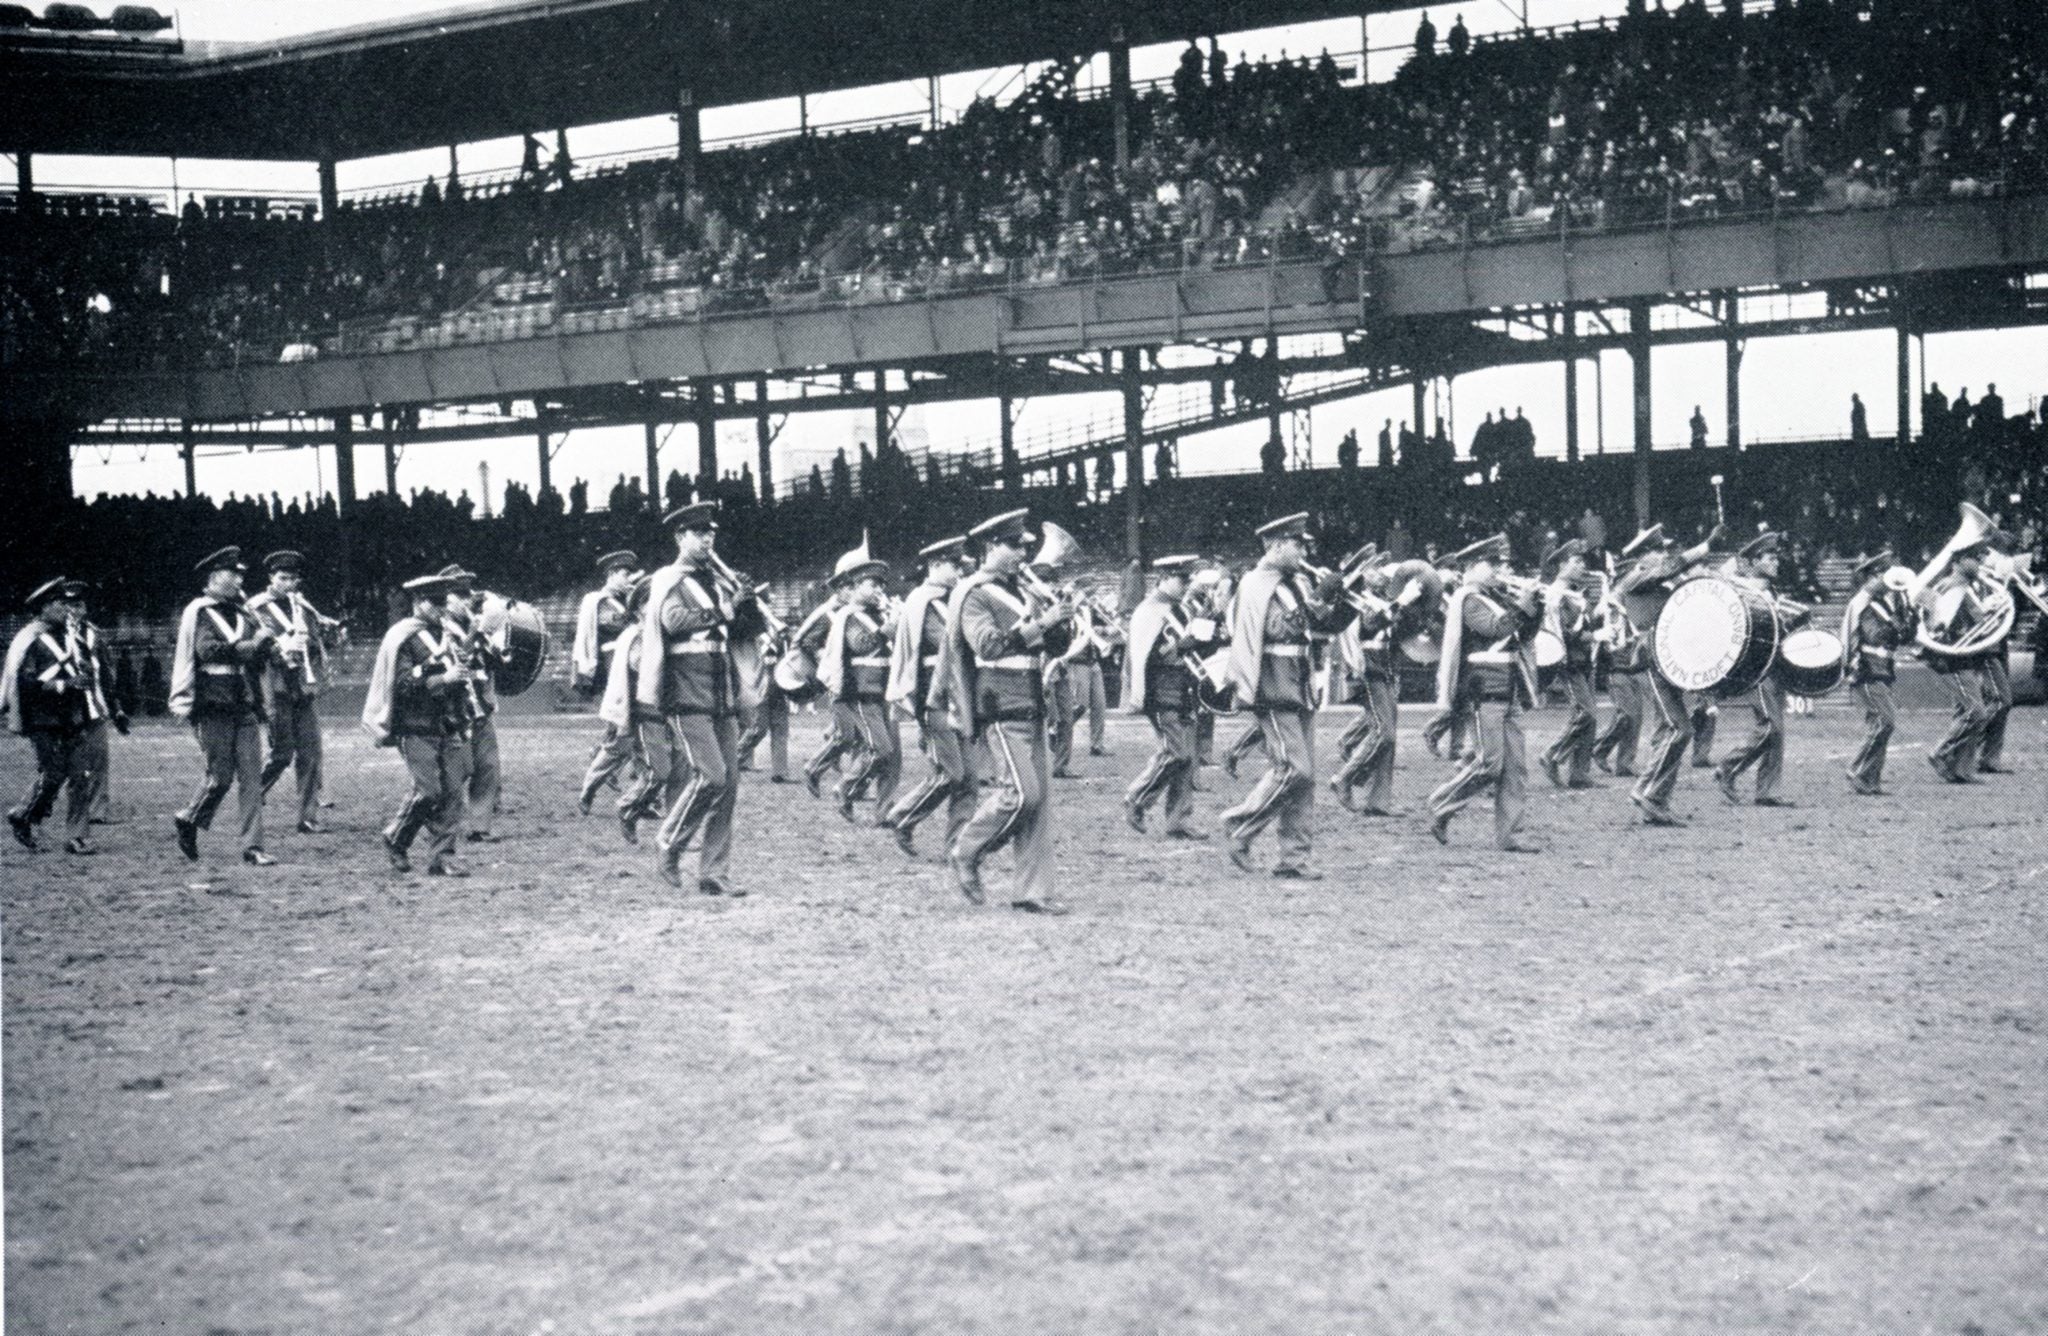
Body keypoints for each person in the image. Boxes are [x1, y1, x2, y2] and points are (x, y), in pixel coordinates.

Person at [929, 509, 1077, 913]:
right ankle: (966, 850)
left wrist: (1059, 622)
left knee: (1039, 803)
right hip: (1000, 705)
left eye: (1025, 546)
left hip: (1031, 703)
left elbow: (1053, 647)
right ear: (991, 546)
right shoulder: (975, 593)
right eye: (1015, 545)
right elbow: (988, 645)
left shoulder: (1019, 590)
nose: (1022, 553)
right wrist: (1040, 623)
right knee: (1022, 795)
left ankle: (1031, 892)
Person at [1217, 513, 1357, 878]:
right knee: (1294, 768)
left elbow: (1320, 625)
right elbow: (1280, 627)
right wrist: (1319, 598)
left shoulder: (1295, 581)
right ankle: (1240, 825)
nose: (1303, 550)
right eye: (1297, 544)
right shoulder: (1254, 583)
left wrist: (1345, 600)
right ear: (1276, 545)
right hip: (1273, 685)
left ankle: (1294, 859)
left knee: (1305, 777)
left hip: (1299, 684)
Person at [638, 501, 767, 895]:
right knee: (710, 775)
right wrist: (726, 609)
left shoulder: (718, 579)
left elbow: (744, 629)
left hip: (721, 692)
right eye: (697, 533)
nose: (707, 539)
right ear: (680, 537)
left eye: (710, 533)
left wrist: (747, 604)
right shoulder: (668, 579)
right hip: (684, 691)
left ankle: (714, 873)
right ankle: (669, 842)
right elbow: (672, 621)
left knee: (728, 787)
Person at [1427, 536, 1542, 850]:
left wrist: (1535, 610)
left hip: (1509, 687)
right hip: (1483, 690)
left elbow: (1522, 634)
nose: (1498, 570)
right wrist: (1522, 605)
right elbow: (1496, 627)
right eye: (1490, 564)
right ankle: (1441, 803)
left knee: (1516, 767)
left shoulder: (1494, 596)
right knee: (1489, 763)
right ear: (1470, 567)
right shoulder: (1469, 600)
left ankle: (1510, 836)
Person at [363, 573, 479, 876]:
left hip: (447, 722)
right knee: (428, 791)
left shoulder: (448, 633)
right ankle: (396, 838)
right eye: (434, 602)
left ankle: (442, 857)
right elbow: (401, 684)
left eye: (444, 601)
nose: (441, 608)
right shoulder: (403, 636)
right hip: (415, 725)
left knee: (453, 791)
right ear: (418, 602)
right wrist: (444, 677)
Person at [169, 547, 276, 866]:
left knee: (252, 778)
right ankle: (189, 818)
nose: (239, 579)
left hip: (242, 704)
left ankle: (252, 846)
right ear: (214, 578)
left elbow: (253, 659)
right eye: (233, 574)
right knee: (220, 778)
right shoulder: (200, 611)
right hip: (212, 704)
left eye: (240, 574)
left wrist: (267, 647)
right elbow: (207, 651)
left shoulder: (244, 613)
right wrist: (251, 645)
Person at [1614, 522, 1725, 825]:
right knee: (1680, 729)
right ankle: (1649, 792)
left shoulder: (1651, 581)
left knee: (1668, 730)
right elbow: (1670, 568)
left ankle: (1654, 798)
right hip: (1653, 658)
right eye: (1658, 549)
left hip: (1667, 658)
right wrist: (1706, 547)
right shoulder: (1636, 577)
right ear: (1643, 556)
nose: (1664, 554)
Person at [4, 578, 118, 855]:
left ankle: (77, 836)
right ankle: (24, 814)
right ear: (44, 607)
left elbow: (89, 669)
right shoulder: (32, 640)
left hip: (74, 717)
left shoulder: (74, 636)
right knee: (53, 775)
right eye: (60, 603)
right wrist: (64, 685)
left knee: (81, 775)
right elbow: (25, 683)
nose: (67, 609)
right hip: (43, 721)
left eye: (69, 604)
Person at [881, 536, 975, 855]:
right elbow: (949, 640)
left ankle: (957, 847)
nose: (959, 572)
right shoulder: (923, 601)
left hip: (957, 695)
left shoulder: (950, 598)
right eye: (953, 565)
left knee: (969, 779)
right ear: (934, 566)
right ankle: (903, 814)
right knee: (952, 772)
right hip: (932, 698)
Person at [247, 550, 344, 836]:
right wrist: (283, 647)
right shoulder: (256, 608)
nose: (288, 584)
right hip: (275, 686)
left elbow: (315, 643)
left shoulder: (303, 606)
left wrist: (322, 638)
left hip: (302, 686)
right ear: (271, 578)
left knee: (311, 753)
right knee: (282, 753)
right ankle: (255, 792)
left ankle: (307, 817)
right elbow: (254, 648)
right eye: (282, 578)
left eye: (293, 579)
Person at [1122, 555, 1217, 839]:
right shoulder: (1149, 610)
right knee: (1175, 752)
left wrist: (1209, 633)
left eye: (1187, 579)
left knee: (1187, 758)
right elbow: (1150, 656)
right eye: (1180, 579)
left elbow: (1200, 651)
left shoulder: (1183, 609)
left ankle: (1179, 819)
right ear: (1163, 579)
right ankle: (1137, 798)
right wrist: (1182, 644)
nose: (1185, 584)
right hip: (1161, 690)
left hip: (1184, 689)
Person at [817, 547, 901, 824]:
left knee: (893, 758)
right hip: (861, 692)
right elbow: (861, 643)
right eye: (873, 584)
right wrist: (892, 625)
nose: (879, 589)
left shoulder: (879, 613)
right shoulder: (850, 616)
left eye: (882, 585)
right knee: (880, 749)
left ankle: (884, 811)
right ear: (855, 587)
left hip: (885, 691)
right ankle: (846, 787)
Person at [1714, 533, 1794, 807]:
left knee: (1777, 729)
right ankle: (1728, 768)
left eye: (1776, 558)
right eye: (1770, 558)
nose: (1776, 563)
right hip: (1755, 669)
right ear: (1755, 560)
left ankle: (1768, 791)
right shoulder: (1743, 590)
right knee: (1770, 726)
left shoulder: (1771, 592)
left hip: (1775, 667)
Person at [601, 576, 677, 844]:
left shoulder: (664, 632)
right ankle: (628, 806)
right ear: (638, 609)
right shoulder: (635, 636)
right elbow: (636, 669)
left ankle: (675, 828)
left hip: (668, 710)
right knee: (659, 772)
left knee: (677, 771)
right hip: (644, 712)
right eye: (648, 602)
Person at [574, 551, 646, 814]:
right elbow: (615, 623)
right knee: (621, 737)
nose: (628, 579)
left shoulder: (625, 599)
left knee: (644, 734)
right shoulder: (599, 601)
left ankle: (643, 796)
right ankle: (590, 787)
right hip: (616, 673)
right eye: (625, 574)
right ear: (612, 574)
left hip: (638, 670)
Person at [1924, 537, 1998, 783]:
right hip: (1954, 658)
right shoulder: (1953, 587)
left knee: (1966, 711)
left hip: (1964, 657)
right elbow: (1944, 624)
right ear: (1958, 561)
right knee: (1976, 712)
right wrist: (1990, 609)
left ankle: (1959, 770)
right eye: (1974, 558)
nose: (1979, 563)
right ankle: (1942, 752)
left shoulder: (1961, 585)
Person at [438, 567, 504, 844]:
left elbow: (487, 663)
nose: (467, 601)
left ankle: (480, 826)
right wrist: (475, 633)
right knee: (457, 770)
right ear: (446, 598)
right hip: (454, 705)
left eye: (469, 595)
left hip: (480, 701)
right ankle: (445, 824)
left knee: (488, 765)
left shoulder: (473, 624)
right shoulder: (439, 627)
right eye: (459, 595)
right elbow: (453, 662)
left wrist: (492, 646)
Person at [1538, 540, 1600, 790]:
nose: (1582, 565)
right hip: (1568, 663)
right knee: (1586, 713)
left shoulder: (1574, 594)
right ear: (1562, 565)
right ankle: (1552, 755)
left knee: (1589, 717)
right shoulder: (1554, 595)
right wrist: (1595, 635)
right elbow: (1563, 633)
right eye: (1576, 561)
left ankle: (1580, 773)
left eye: (1582, 561)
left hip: (1583, 660)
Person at [1840, 551, 1902, 795]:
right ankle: (1858, 768)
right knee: (1885, 721)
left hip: (1881, 669)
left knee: (1880, 723)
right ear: (1873, 577)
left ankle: (1870, 780)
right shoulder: (1862, 603)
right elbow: (1873, 634)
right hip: (1866, 669)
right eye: (1884, 575)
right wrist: (1894, 623)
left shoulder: (1880, 602)